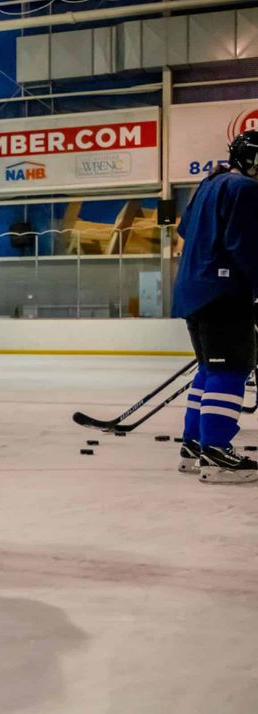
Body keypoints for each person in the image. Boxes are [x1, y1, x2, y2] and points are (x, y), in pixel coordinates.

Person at [173, 129, 258, 484]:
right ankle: (216, 451)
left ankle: (194, 445)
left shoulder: (209, 184)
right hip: (223, 292)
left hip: (194, 291)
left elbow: (183, 231)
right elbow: (244, 245)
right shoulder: (246, 190)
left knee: (209, 369)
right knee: (231, 369)